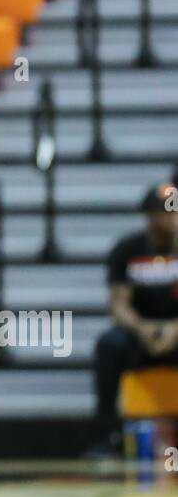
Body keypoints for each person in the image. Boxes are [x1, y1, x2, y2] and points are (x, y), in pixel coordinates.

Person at [90, 183, 178, 457]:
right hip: (141, 335)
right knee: (108, 345)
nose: (167, 218)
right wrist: (143, 329)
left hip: (176, 334)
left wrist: (174, 329)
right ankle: (109, 438)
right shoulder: (128, 250)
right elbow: (119, 305)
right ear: (148, 216)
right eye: (160, 212)